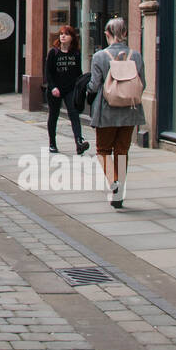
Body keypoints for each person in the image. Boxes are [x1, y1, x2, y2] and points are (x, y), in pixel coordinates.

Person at [86, 17, 146, 209]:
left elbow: (94, 85)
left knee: (103, 150)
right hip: (130, 110)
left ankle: (114, 182)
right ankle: (119, 191)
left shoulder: (100, 56)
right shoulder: (136, 56)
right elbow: (142, 83)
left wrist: (86, 90)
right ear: (125, 33)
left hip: (106, 111)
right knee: (122, 151)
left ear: (107, 34)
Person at [45, 25, 89, 155]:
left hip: (70, 89)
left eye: (66, 34)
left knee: (74, 114)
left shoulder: (75, 54)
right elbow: (48, 72)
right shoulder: (53, 53)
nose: (63, 36)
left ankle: (79, 142)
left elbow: (78, 73)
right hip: (55, 90)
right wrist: (53, 87)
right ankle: (52, 143)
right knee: (54, 115)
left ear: (72, 38)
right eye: (61, 34)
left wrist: (79, 87)